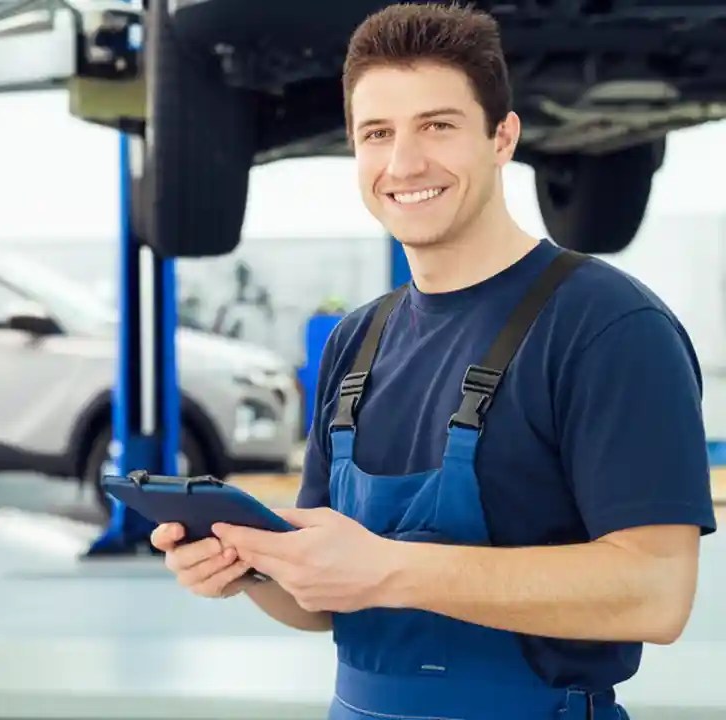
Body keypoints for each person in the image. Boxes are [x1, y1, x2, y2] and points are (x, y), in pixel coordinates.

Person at [153, 4, 716, 718]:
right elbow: (332, 604)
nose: (405, 163)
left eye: (438, 126)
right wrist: (254, 571)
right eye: (377, 134)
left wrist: (390, 569)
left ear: (502, 137)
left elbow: (656, 594)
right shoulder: (359, 339)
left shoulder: (605, 325)